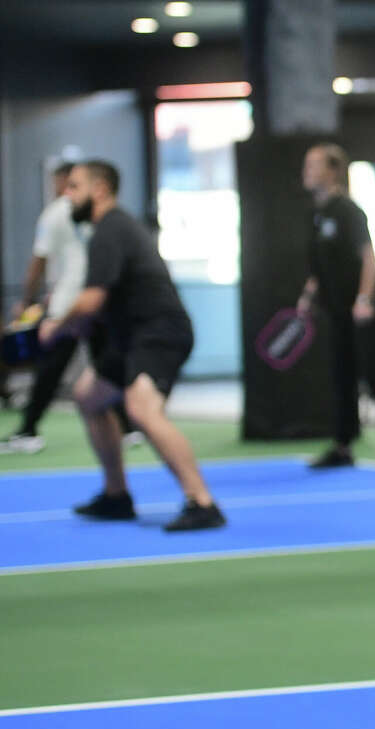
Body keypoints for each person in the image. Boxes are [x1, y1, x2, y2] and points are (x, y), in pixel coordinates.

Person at [39, 160, 225, 532]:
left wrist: (55, 326)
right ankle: (117, 495)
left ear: (100, 189)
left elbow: (90, 300)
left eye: (74, 187)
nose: (66, 195)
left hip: (160, 332)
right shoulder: (105, 230)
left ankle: (202, 502)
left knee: (141, 408)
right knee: (88, 396)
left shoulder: (110, 229)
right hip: (130, 336)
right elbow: (100, 304)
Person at [2, 162, 138, 454]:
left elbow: (39, 261)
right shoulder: (85, 217)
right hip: (86, 300)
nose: (66, 192)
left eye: (73, 186)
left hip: (81, 303)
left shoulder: (96, 219)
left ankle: (28, 429)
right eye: (68, 186)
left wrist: (29, 302)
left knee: (63, 366)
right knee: (100, 368)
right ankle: (128, 428)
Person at [297, 143, 375, 471]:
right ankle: (343, 446)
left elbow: (369, 257)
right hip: (337, 310)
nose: (306, 171)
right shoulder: (317, 214)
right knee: (342, 377)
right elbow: (321, 267)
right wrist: (308, 295)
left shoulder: (349, 211)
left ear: (333, 171)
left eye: (313, 165)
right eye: (306, 165)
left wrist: (364, 300)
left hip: (369, 309)